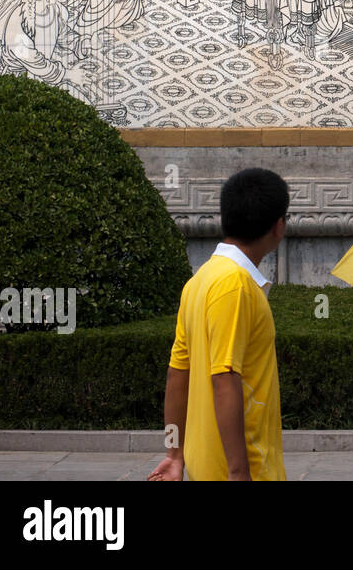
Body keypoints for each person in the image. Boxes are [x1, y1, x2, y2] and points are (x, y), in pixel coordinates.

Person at [149, 168, 291, 482]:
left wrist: (174, 453)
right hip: (244, 468)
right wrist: (239, 472)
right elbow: (224, 378)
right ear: (278, 226)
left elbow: (177, 375)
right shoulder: (234, 285)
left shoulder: (200, 280)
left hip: (207, 467)